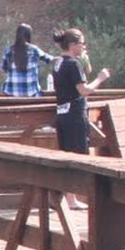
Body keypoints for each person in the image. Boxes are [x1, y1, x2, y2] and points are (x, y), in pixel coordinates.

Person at [50, 27, 110, 155]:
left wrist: (85, 63)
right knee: (80, 156)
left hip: (62, 115)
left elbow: (80, 75)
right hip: (75, 115)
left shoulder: (58, 63)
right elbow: (84, 90)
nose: (84, 46)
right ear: (72, 45)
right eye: (82, 43)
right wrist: (100, 78)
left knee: (66, 156)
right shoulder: (73, 64)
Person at [1, 23, 54, 97]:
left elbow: (4, 69)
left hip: (11, 93)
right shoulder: (33, 50)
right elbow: (48, 59)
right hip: (31, 93)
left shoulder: (9, 50)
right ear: (29, 35)